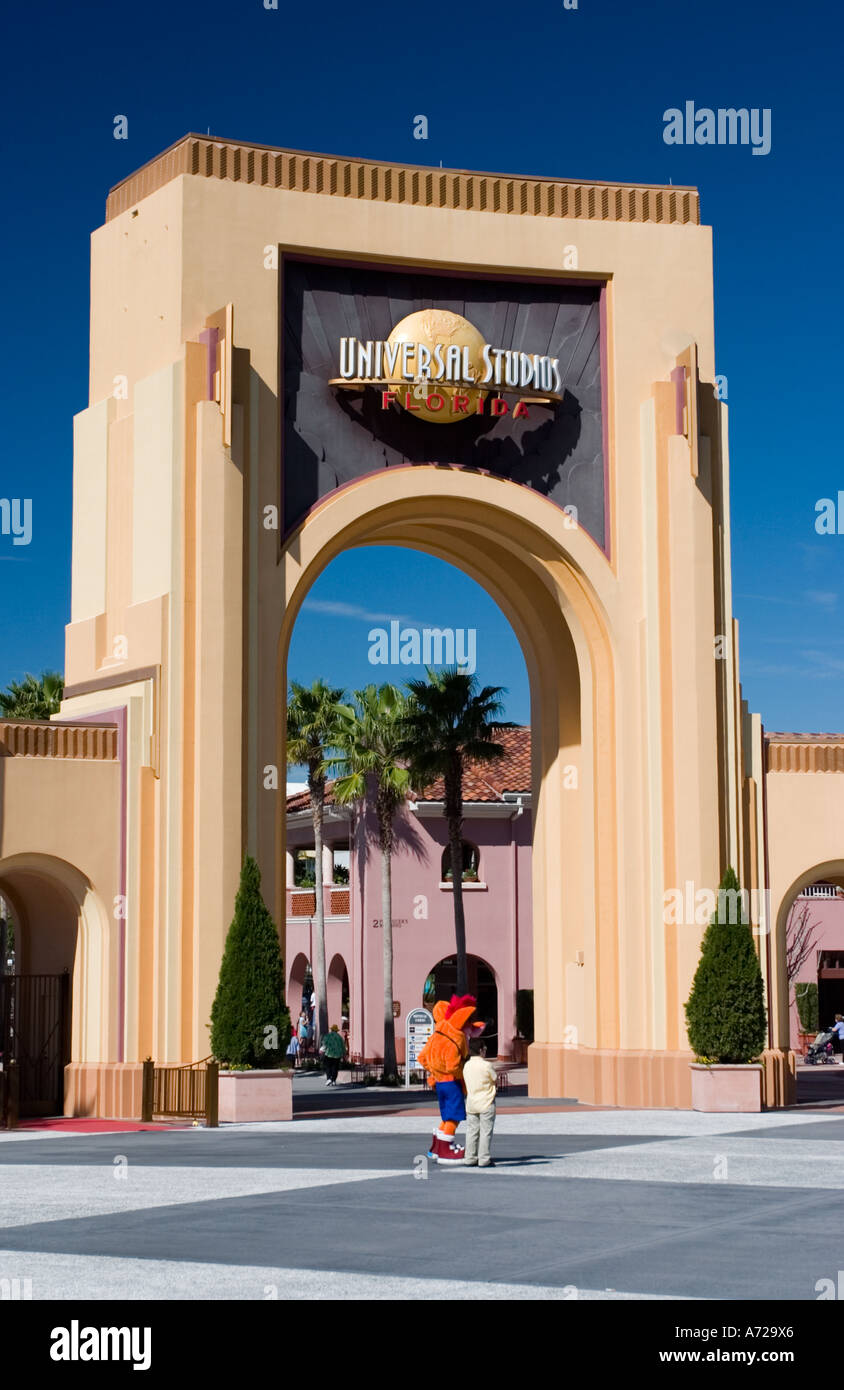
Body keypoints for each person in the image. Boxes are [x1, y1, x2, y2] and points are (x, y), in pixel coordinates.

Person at [416, 994, 485, 1164]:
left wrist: (435, 1072)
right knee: (454, 1117)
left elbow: (422, 1058)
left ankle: (438, 1147)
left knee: (446, 1117)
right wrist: (464, 1074)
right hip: (451, 1083)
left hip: (440, 1083)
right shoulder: (453, 1039)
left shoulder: (436, 1036)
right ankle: (447, 1149)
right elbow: (453, 1066)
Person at [462, 1038, 497, 1167]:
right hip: (486, 1102)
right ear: (481, 1050)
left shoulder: (467, 1065)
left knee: (472, 1131)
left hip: (471, 1102)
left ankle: (470, 1157)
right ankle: (483, 1159)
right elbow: (494, 1078)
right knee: (485, 1132)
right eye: (485, 1049)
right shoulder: (486, 1065)